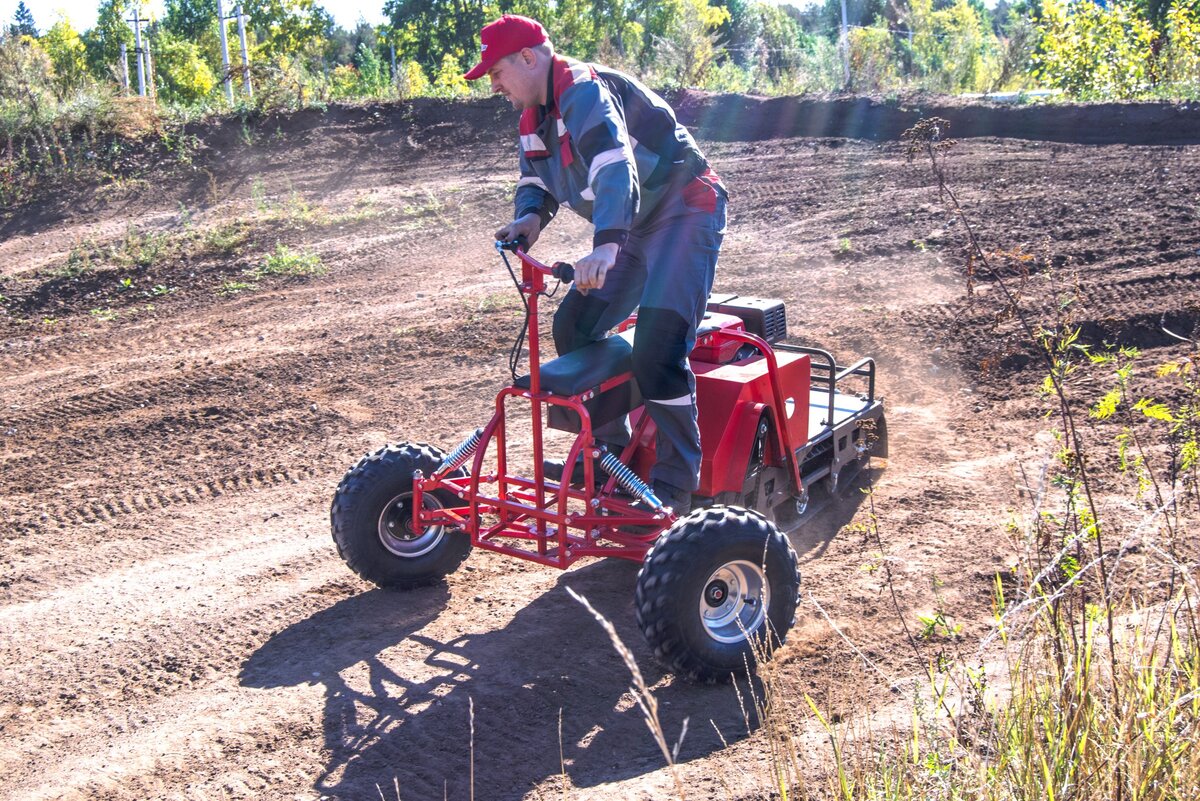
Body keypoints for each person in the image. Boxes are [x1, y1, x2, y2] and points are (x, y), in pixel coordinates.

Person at [464, 14, 727, 515]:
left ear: (527, 57)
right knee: (575, 323)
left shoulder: (582, 91)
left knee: (658, 345)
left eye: (496, 72)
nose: (493, 84)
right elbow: (536, 182)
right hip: (634, 224)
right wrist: (528, 220)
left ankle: (673, 487)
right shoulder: (532, 116)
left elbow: (614, 164)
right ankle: (604, 457)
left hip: (685, 210)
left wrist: (607, 245)